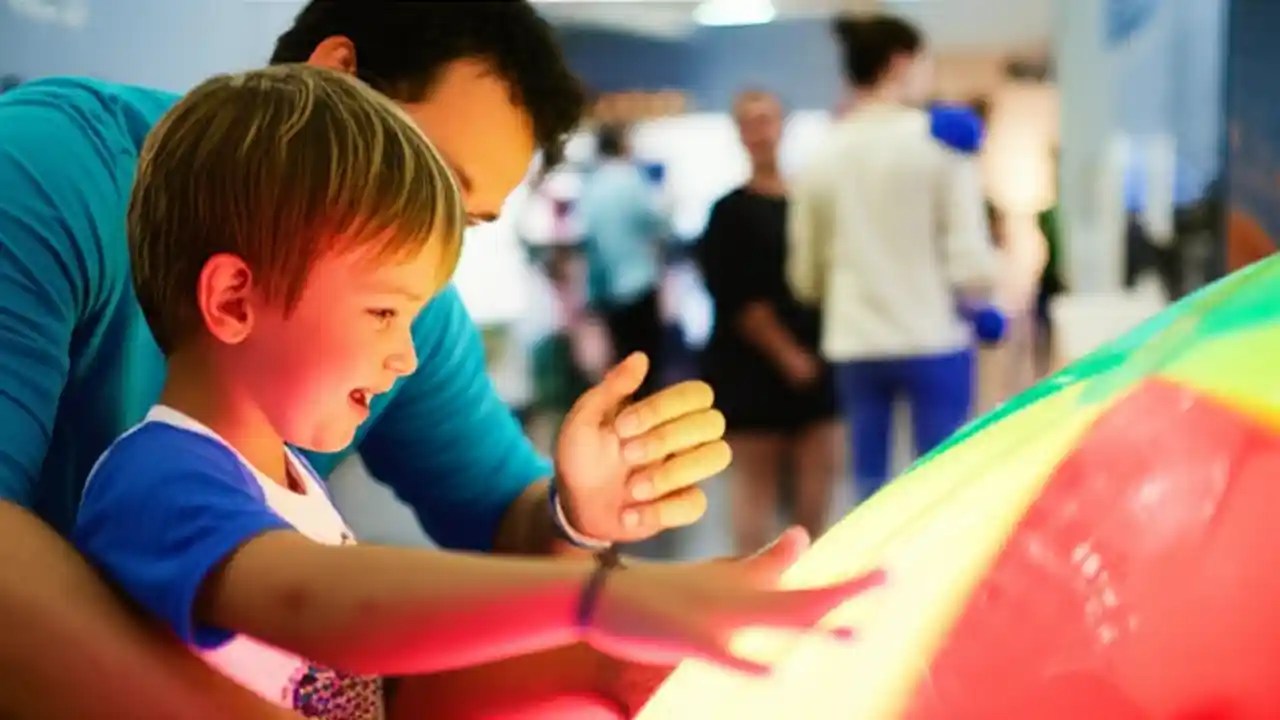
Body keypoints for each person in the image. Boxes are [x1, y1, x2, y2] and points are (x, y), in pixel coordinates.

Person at [70, 63, 883, 719]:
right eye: (384, 312)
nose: (406, 360)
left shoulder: (284, 483)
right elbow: (322, 602)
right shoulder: (155, 476)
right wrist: (595, 604)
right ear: (233, 301)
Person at [0, 3, 737, 717]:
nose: (409, 345)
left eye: (463, 226)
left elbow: (500, 518)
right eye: (433, 180)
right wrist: (598, 605)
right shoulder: (52, 168)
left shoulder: (415, 319)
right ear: (340, 78)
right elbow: (319, 597)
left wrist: (580, 516)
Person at [788, 15, 998, 502]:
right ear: (900, 62)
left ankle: (874, 575)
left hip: (857, 341)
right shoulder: (941, 144)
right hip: (934, 335)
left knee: (869, 485)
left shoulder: (822, 155)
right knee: (942, 481)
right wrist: (983, 304)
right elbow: (968, 258)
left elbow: (806, 276)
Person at [698, 89, 841, 553]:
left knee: (816, 488)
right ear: (740, 133)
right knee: (753, 489)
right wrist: (787, 355)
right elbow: (738, 298)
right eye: (750, 122)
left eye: (768, 119)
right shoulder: (729, 213)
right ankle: (753, 592)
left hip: (816, 362)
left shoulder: (809, 202)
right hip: (752, 371)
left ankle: (807, 581)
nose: (761, 132)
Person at [580, 123, 670, 398]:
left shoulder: (591, 187)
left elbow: (588, 245)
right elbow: (659, 223)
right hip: (640, 286)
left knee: (624, 371)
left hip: (610, 294)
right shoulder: (631, 179)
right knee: (649, 370)